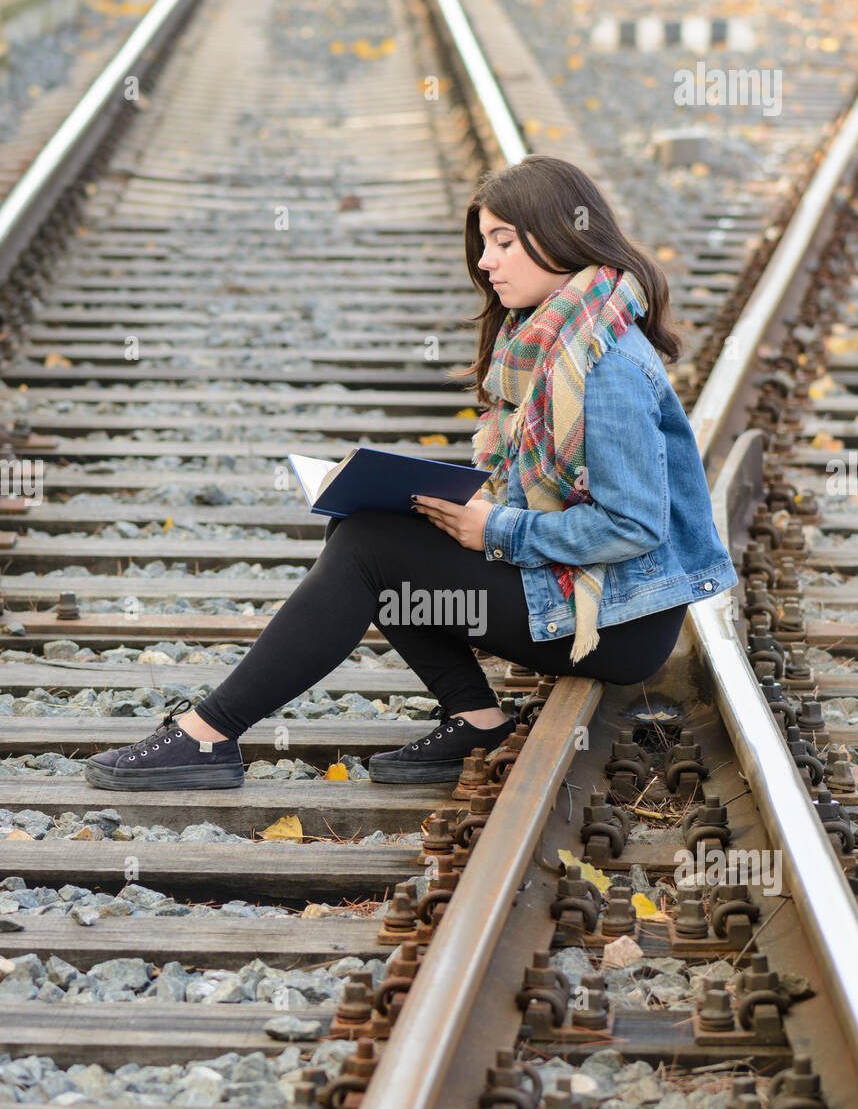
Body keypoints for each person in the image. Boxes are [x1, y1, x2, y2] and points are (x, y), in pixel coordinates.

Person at [84, 154, 737, 792]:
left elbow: (635, 523)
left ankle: (209, 734)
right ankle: (475, 718)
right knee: (367, 520)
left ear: (561, 236)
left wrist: (499, 531)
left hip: (619, 624)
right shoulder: (550, 338)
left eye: (503, 242)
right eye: (485, 243)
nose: (485, 262)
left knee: (371, 547)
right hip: (589, 591)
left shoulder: (606, 363)